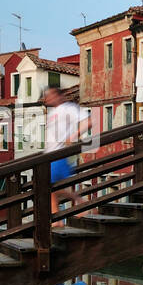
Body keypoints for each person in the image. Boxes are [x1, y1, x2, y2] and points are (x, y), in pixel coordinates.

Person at [42, 87, 82, 219]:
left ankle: (81, 203)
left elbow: (88, 122)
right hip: (50, 155)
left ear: (59, 95)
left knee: (49, 186)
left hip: (59, 154)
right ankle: (56, 219)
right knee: (49, 188)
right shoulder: (52, 112)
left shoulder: (69, 108)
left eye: (50, 95)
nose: (47, 98)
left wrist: (73, 136)